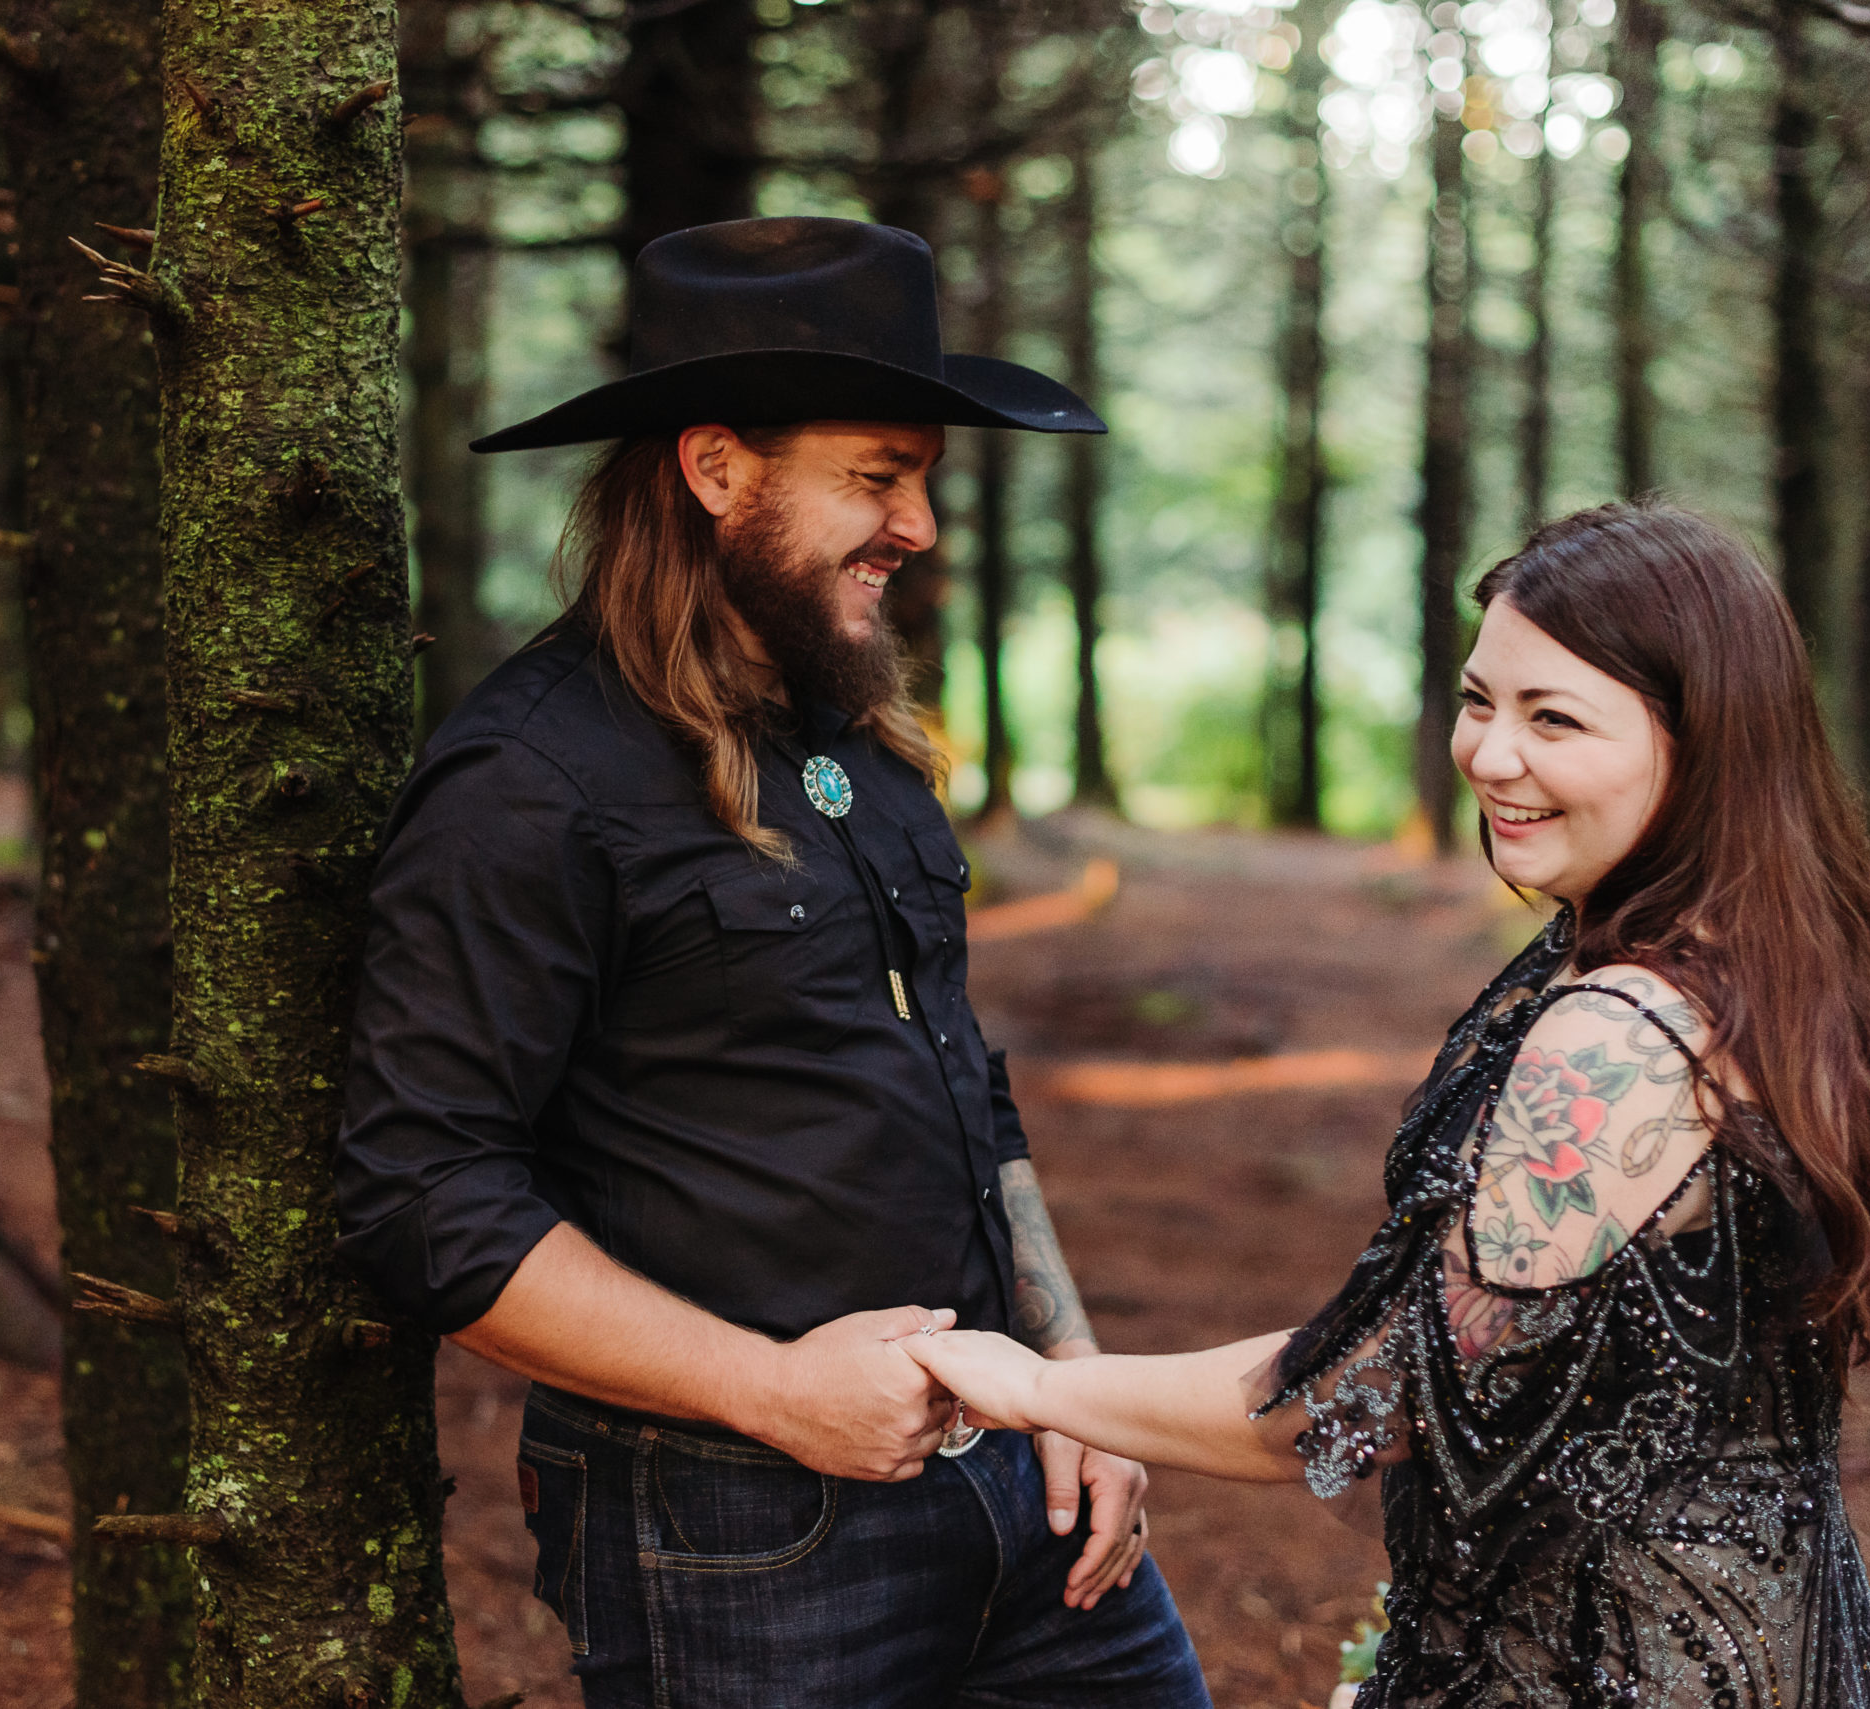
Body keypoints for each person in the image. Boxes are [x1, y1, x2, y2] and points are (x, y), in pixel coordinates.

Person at [333, 217, 1213, 1708]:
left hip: (1017, 1478)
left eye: (923, 480)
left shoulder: (856, 740)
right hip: (738, 1531)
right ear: (716, 467)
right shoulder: (529, 781)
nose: (920, 527)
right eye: (877, 476)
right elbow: (424, 1202)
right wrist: (775, 1392)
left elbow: (961, 1081)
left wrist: (1075, 1386)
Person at [902, 502, 1870, 1708]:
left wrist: (1033, 1383)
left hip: (1611, 1667)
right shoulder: (1772, 951)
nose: (1489, 755)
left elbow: (1357, 1395)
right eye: (1478, 699)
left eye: (1553, 717)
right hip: (1765, 1632)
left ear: (1705, 739)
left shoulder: (1623, 1032)